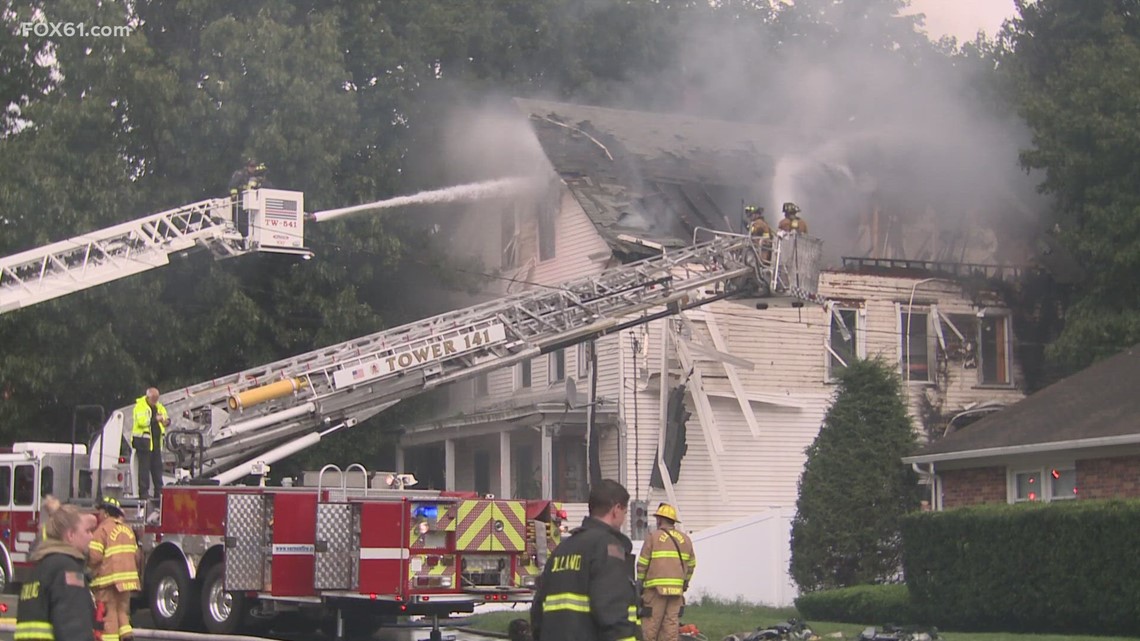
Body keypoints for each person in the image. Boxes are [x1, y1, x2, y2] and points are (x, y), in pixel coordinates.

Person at [531, 479, 641, 641]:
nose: (623, 519)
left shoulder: (561, 549)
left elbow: (538, 613)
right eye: (624, 513)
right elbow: (612, 611)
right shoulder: (608, 548)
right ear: (616, 510)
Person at [17, 498, 98, 641]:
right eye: (87, 531)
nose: (91, 537)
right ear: (70, 535)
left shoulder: (37, 571)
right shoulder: (69, 571)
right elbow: (74, 631)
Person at [636, 503, 696, 641]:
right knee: (670, 629)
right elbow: (692, 564)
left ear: (660, 520)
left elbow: (643, 563)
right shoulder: (686, 540)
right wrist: (685, 583)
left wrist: (639, 582)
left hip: (655, 592)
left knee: (651, 627)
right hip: (676, 592)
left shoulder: (653, 537)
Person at [89, 497, 140, 641]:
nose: (98, 515)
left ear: (105, 513)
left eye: (99, 512)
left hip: (108, 582)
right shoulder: (128, 530)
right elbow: (136, 556)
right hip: (127, 582)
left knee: (109, 614)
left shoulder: (102, 530)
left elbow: (95, 557)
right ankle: (127, 636)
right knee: (122, 611)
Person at [131, 388, 169, 501]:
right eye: (153, 399)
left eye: (157, 399)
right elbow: (142, 422)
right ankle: (144, 493)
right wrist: (155, 419)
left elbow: (165, 417)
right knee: (144, 469)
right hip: (144, 443)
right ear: (148, 397)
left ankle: (159, 492)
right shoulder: (140, 406)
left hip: (156, 443)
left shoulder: (159, 406)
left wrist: (166, 421)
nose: (155, 401)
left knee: (157, 468)